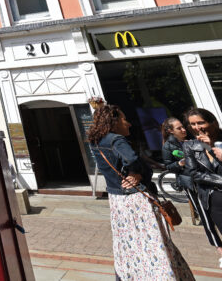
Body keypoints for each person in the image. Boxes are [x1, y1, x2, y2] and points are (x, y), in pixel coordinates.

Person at [89, 103, 193, 279]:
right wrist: (135, 171)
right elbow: (132, 158)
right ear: (113, 122)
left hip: (117, 200)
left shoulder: (96, 142)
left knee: (129, 243)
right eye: (124, 119)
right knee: (153, 242)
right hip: (136, 200)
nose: (128, 123)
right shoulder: (116, 139)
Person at [182, 107, 222, 269]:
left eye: (201, 122)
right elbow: (195, 174)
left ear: (212, 122)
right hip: (215, 200)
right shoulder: (191, 146)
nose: (197, 127)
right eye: (193, 124)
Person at [161, 117, 198, 226]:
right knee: (200, 206)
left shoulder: (192, 138)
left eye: (183, 127)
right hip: (188, 179)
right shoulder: (167, 147)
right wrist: (180, 163)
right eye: (179, 128)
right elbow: (169, 166)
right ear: (170, 131)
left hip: (203, 176)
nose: (183, 130)